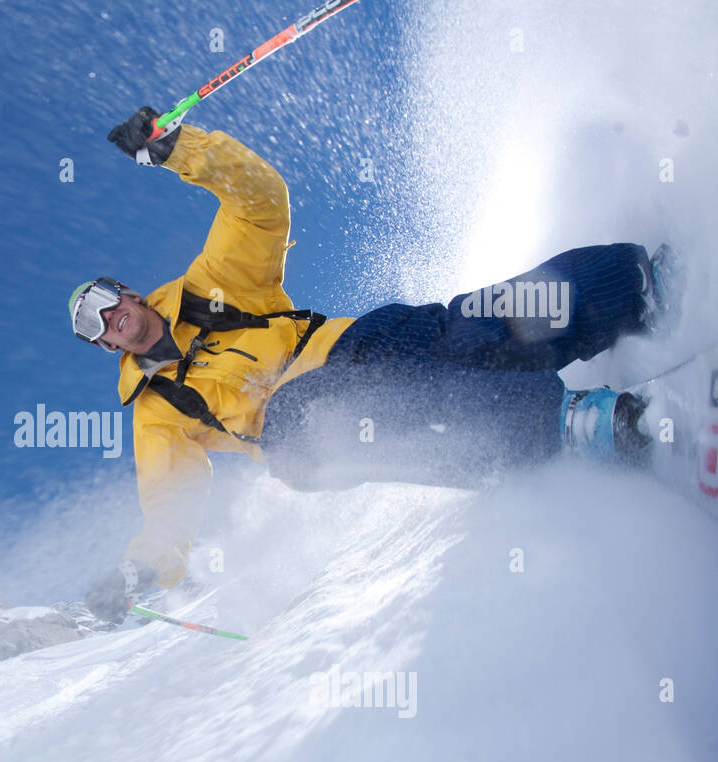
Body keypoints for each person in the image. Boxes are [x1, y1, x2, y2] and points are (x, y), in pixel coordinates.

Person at [75, 107, 671, 622]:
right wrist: (138, 571)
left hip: (350, 343)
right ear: (105, 347)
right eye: (90, 327)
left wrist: (177, 148)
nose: (106, 320)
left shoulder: (211, 287)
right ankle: (572, 427)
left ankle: (632, 287)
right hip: (297, 436)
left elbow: (260, 202)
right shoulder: (157, 415)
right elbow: (170, 503)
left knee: (467, 331)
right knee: (323, 415)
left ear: (127, 293)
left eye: (103, 302)